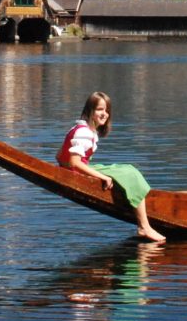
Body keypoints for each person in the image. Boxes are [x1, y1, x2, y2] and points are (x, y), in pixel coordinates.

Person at [57, 92, 166, 242]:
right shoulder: (84, 132)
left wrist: (65, 170)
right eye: (100, 109)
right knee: (132, 174)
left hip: (79, 169)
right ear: (90, 110)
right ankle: (144, 226)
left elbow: (59, 156)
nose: (105, 114)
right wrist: (102, 177)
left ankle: (141, 216)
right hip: (79, 170)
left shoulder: (77, 128)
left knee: (128, 169)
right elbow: (75, 162)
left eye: (107, 110)